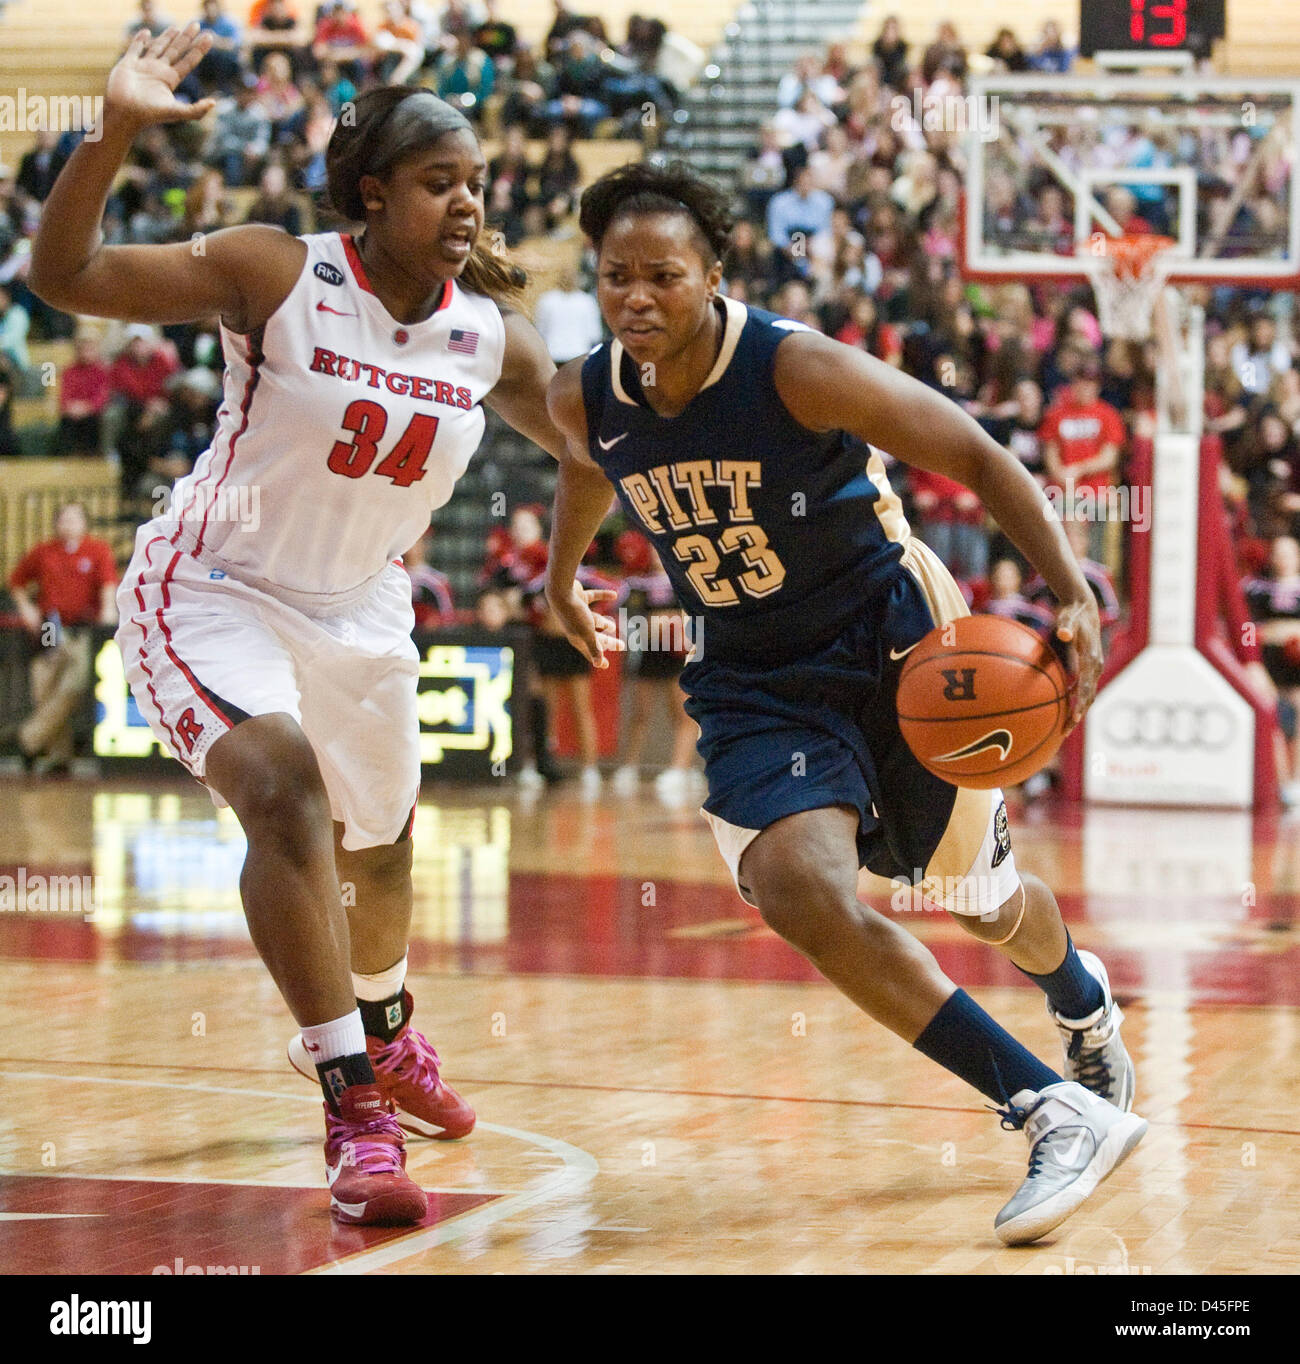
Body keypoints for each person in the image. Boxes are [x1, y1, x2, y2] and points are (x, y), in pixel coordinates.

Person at [29, 25, 598, 1227]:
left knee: (384, 848)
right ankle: (350, 1096)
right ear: (372, 192)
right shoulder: (275, 270)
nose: (467, 204)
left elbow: (599, 449)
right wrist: (116, 126)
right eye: (441, 183)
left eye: (476, 184)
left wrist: (561, 580)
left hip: (359, 607)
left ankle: (385, 1028)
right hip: (215, 586)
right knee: (283, 790)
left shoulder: (488, 337)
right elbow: (64, 276)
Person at [543, 160, 1146, 1246]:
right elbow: (591, 463)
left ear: (714, 274)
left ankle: (1079, 997)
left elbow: (970, 448)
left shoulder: (794, 368)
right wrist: (556, 576)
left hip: (892, 644)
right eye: (615, 276)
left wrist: (1069, 590)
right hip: (753, 676)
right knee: (794, 885)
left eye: (663, 277)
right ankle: (1049, 1105)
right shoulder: (584, 390)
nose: (636, 297)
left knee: (978, 897)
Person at [2, 504, 118, 773]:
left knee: (74, 685)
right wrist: (27, 608)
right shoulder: (44, 552)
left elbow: (108, 585)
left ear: (85, 523)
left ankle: (28, 739)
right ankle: (59, 756)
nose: (68, 524)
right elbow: (16, 581)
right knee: (45, 687)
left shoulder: (97, 550)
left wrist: (108, 611)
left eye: (74, 519)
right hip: (49, 626)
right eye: (63, 519)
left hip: (81, 628)